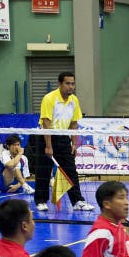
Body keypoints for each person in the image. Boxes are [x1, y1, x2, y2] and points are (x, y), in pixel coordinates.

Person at [33, 72, 94, 212]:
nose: (70, 86)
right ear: (60, 84)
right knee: (43, 170)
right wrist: (48, 146)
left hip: (64, 137)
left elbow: (74, 124)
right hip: (46, 136)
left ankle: (78, 201)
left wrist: (74, 144)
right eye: (67, 83)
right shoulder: (49, 98)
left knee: (71, 170)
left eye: (72, 83)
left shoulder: (74, 100)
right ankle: (41, 201)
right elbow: (46, 123)